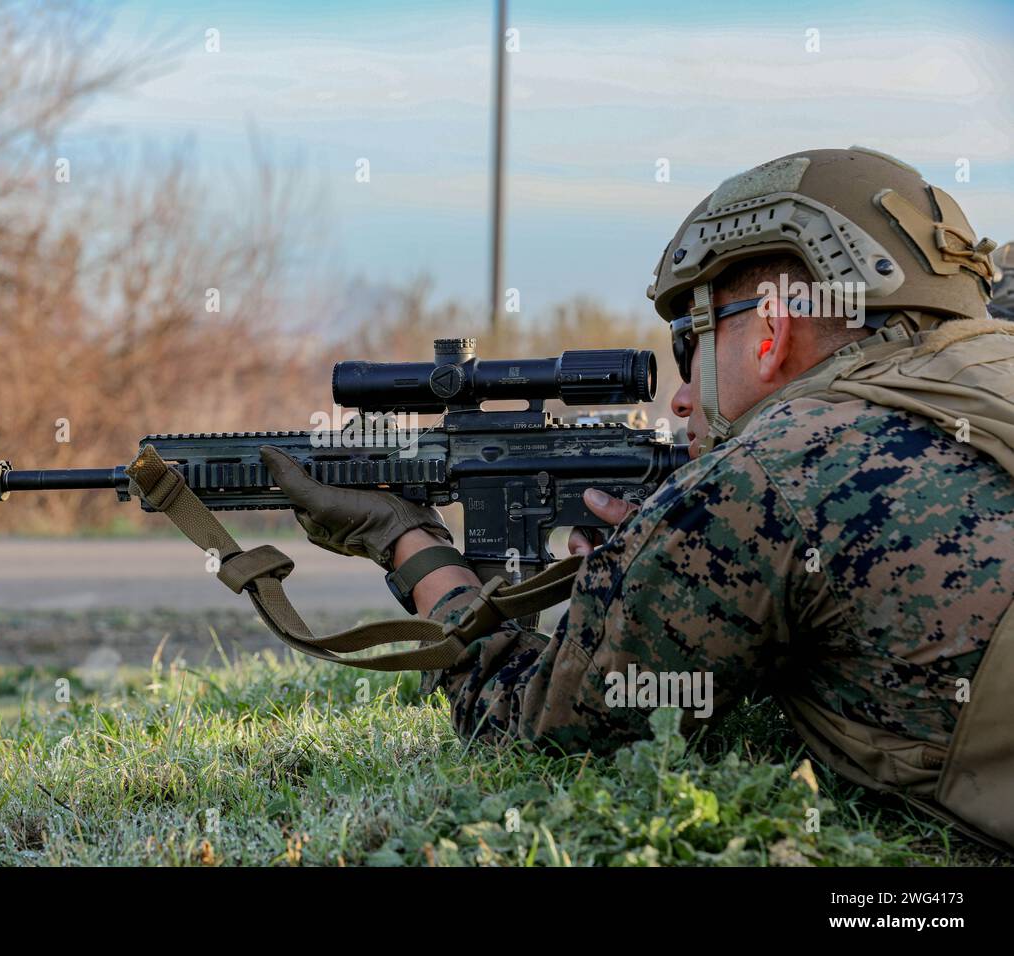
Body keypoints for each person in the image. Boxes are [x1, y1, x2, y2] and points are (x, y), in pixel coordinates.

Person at [260, 147, 1014, 850]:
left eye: (690, 343)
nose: (682, 398)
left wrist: (411, 545)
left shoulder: (764, 475)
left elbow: (536, 729)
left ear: (770, 333)